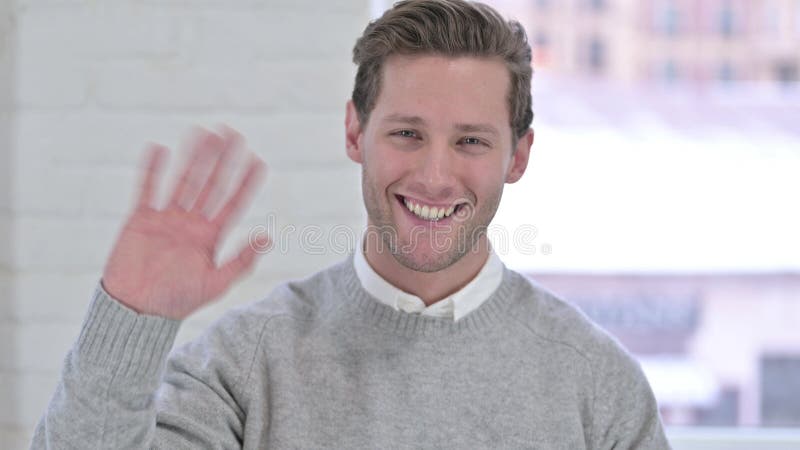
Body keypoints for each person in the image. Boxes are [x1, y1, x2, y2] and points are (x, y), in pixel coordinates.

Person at [31, 1, 671, 448]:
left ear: (518, 156)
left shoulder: (596, 383)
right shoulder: (244, 365)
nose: (434, 176)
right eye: (407, 133)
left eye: (471, 141)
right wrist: (128, 323)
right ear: (354, 132)